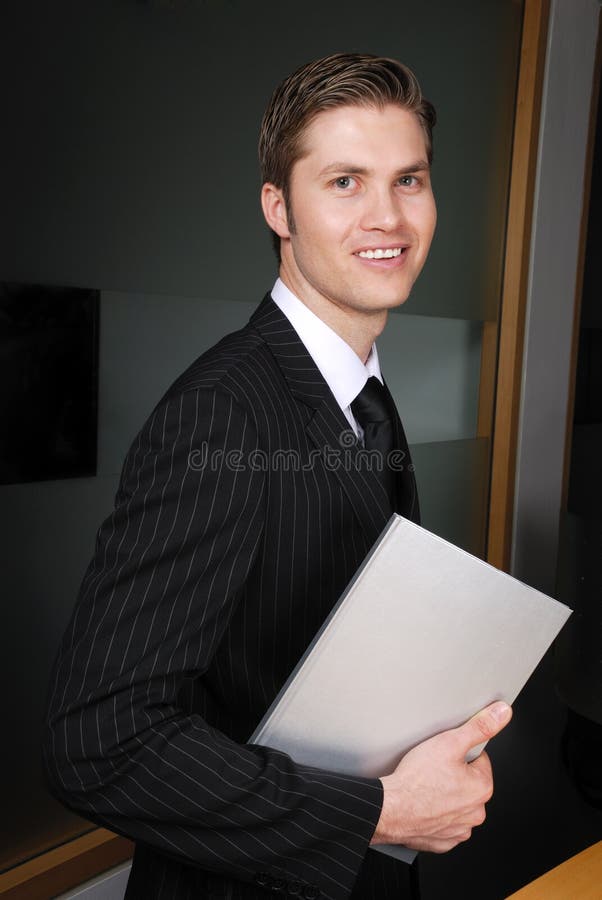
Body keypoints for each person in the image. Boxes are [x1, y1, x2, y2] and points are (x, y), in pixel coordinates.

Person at [44, 53, 512, 900]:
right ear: (278, 208)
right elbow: (98, 743)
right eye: (345, 182)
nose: (388, 216)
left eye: (408, 180)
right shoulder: (221, 413)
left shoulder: (363, 389)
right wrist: (379, 812)